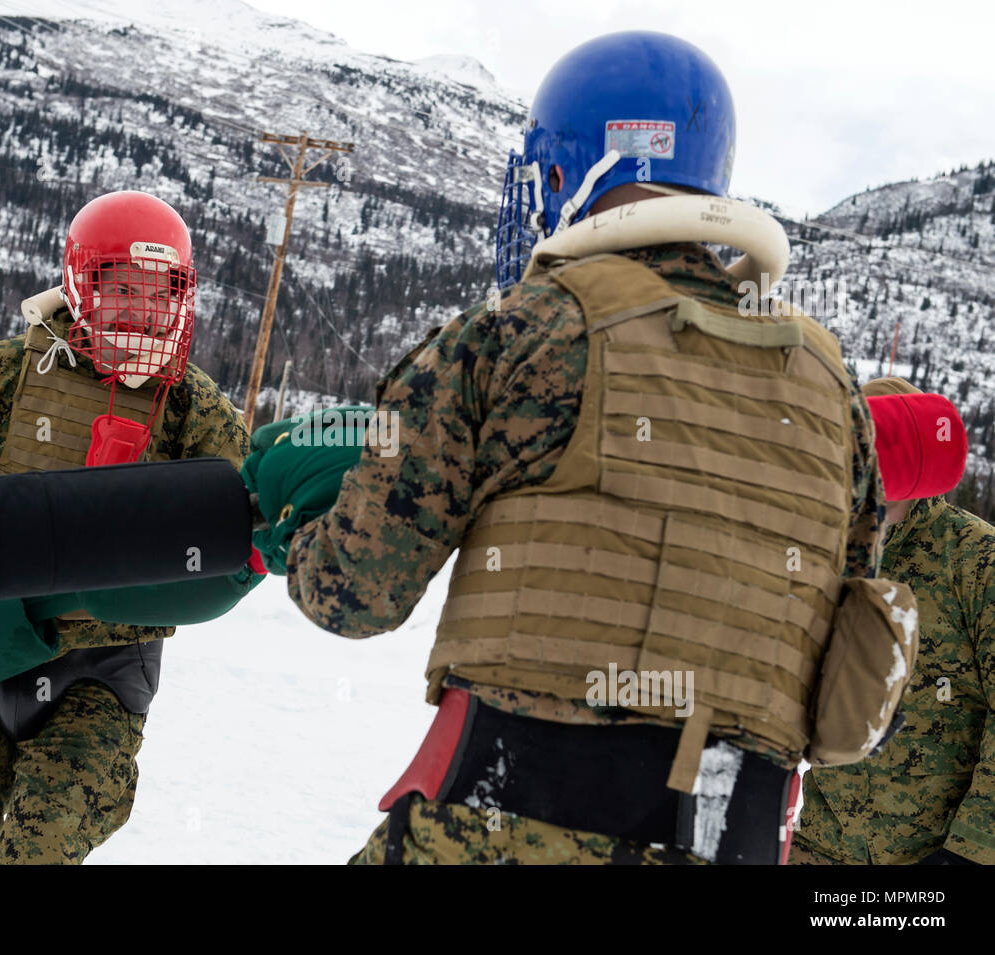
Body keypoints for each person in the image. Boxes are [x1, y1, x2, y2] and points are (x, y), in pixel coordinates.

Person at [243, 31, 916, 864]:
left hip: (510, 821)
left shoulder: (525, 330)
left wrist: (295, 538)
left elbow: (357, 592)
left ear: (565, 172)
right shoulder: (832, 391)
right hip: (738, 836)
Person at [0, 191, 254, 864]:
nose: (141, 307)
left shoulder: (192, 403)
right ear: (83, 282)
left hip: (104, 666)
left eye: (157, 291)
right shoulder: (1, 373)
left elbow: (245, 503)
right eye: (123, 287)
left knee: (39, 844)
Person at [792, 376, 994, 865]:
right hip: (811, 847)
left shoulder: (975, 559)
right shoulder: (822, 550)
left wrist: (970, 851)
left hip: (928, 860)